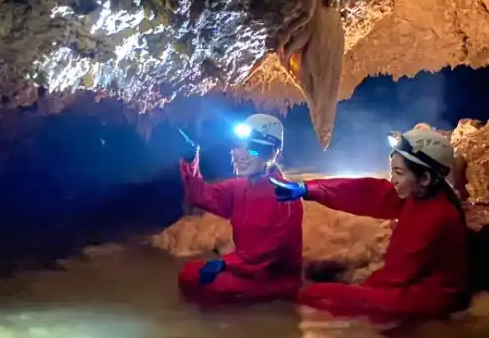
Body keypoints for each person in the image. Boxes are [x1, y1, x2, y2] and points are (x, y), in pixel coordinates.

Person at [270, 124, 469, 321]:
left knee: (317, 295)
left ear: (425, 178)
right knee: (327, 293)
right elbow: (364, 193)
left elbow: (396, 275)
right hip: (410, 283)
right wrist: (307, 189)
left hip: (428, 296)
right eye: (392, 170)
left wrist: (361, 291)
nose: (392, 179)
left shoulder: (435, 217)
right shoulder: (420, 195)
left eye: (399, 173)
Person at [178, 114, 303, 305]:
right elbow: (200, 196)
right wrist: (191, 160)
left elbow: (269, 251)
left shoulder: (286, 197)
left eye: (252, 149)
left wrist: (225, 263)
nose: (240, 155)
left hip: (273, 280)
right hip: (244, 271)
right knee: (189, 274)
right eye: (237, 146)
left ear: (273, 153)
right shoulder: (238, 187)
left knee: (216, 288)